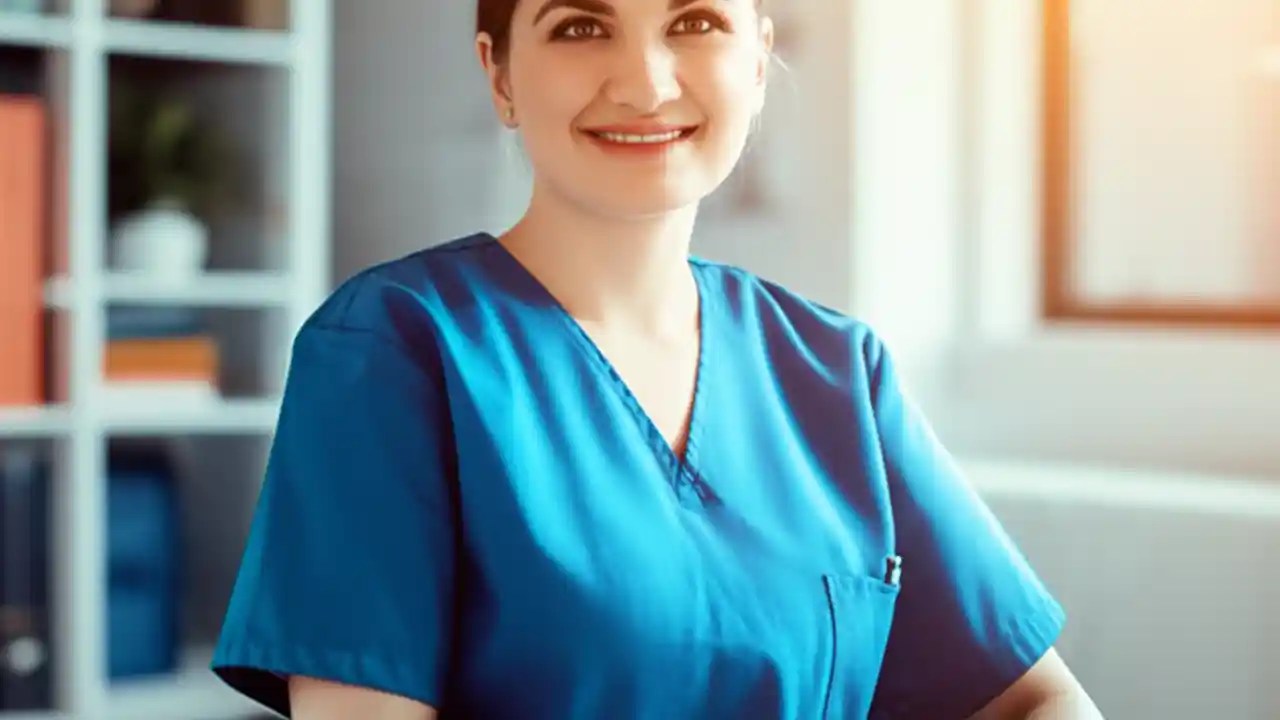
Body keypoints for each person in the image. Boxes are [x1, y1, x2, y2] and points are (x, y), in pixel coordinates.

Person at [211, 0, 1104, 717]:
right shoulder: (394, 349)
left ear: (756, 62)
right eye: (581, 27)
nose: (644, 82)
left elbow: (1036, 696)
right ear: (501, 76)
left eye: (694, 22)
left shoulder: (836, 369)